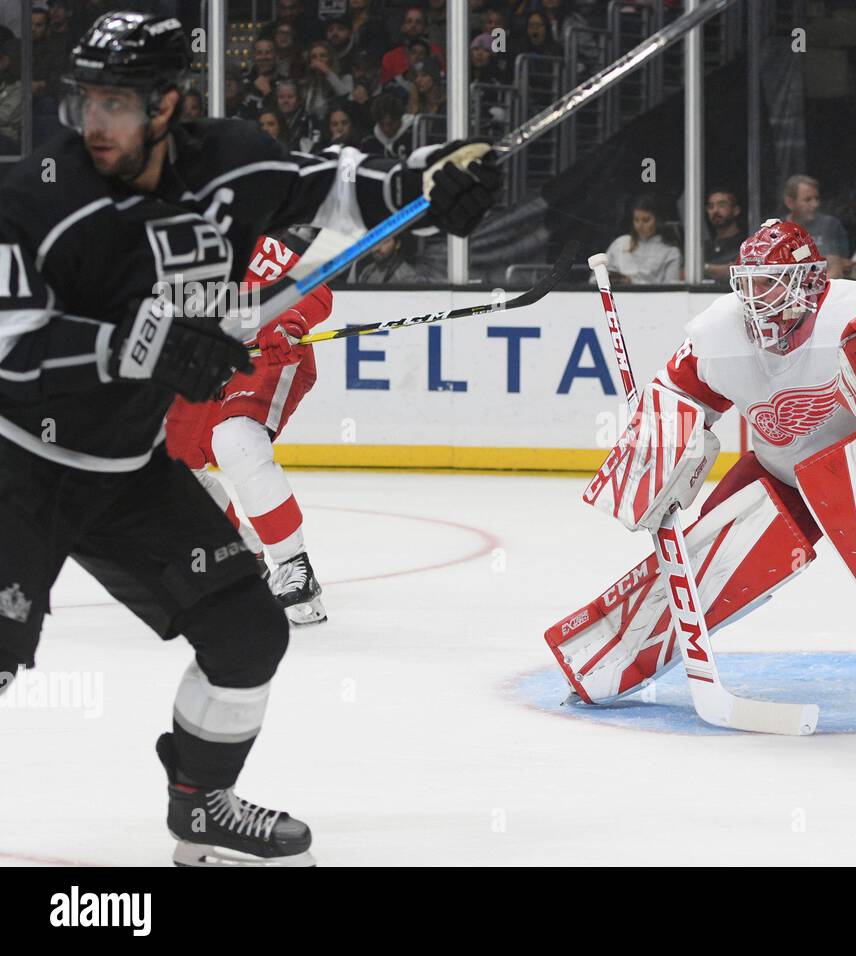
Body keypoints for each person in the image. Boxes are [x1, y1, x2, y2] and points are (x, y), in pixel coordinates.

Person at [0, 10, 498, 867]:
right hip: (18, 461)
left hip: (126, 470)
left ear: (166, 103)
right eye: (89, 99)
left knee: (248, 636)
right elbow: (10, 341)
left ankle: (202, 807)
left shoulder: (231, 160)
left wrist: (428, 180)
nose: (95, 122)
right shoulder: (38, 194)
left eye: (118, 102)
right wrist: (139, 347)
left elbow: (338, 188)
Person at [547, 220, 856, 726]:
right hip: (779, 465)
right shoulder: (716, 331)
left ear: (809, 281)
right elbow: (676, 398)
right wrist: (657, 460)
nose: (755, 297)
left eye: (770, 282)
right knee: (707, 556)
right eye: (748, 282)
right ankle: (606, 660)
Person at [165, 235, 334, 625]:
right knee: (167, 467)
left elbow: (317, 288)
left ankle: (293, 567)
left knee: (236, 439)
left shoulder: (241, 231)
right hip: (202, 366)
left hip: (267, 354)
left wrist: (289, 320)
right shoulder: (147, 243)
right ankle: (240, 553)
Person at [602, 195, 682, 285]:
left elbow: (671, 291)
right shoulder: (620, 244)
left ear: (658, 220)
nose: (640, 225)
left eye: (646, 220)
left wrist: (632, 282)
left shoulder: (670, 252)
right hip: (614, 296)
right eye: (636, 220)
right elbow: (596, 278)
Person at [781, 174, 849, 278]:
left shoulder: (829, 225)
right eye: (808, 200)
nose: (815, 204)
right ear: (790, 202)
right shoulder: (777, 230)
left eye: (816, 199)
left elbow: (835, 269)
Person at [702, 188, 744, 281]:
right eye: (710, 207)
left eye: (721, 205)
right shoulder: (703, 246)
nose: (715, 211)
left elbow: (735, 272)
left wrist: (703, 268)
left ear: (736, 210)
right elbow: (683, 273)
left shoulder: (745, 244)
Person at [359, 92, 417, 159]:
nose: (386, 129)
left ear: (400, 118)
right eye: (382, 124)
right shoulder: (369, 141)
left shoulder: (416, 134)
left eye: (391, 124)